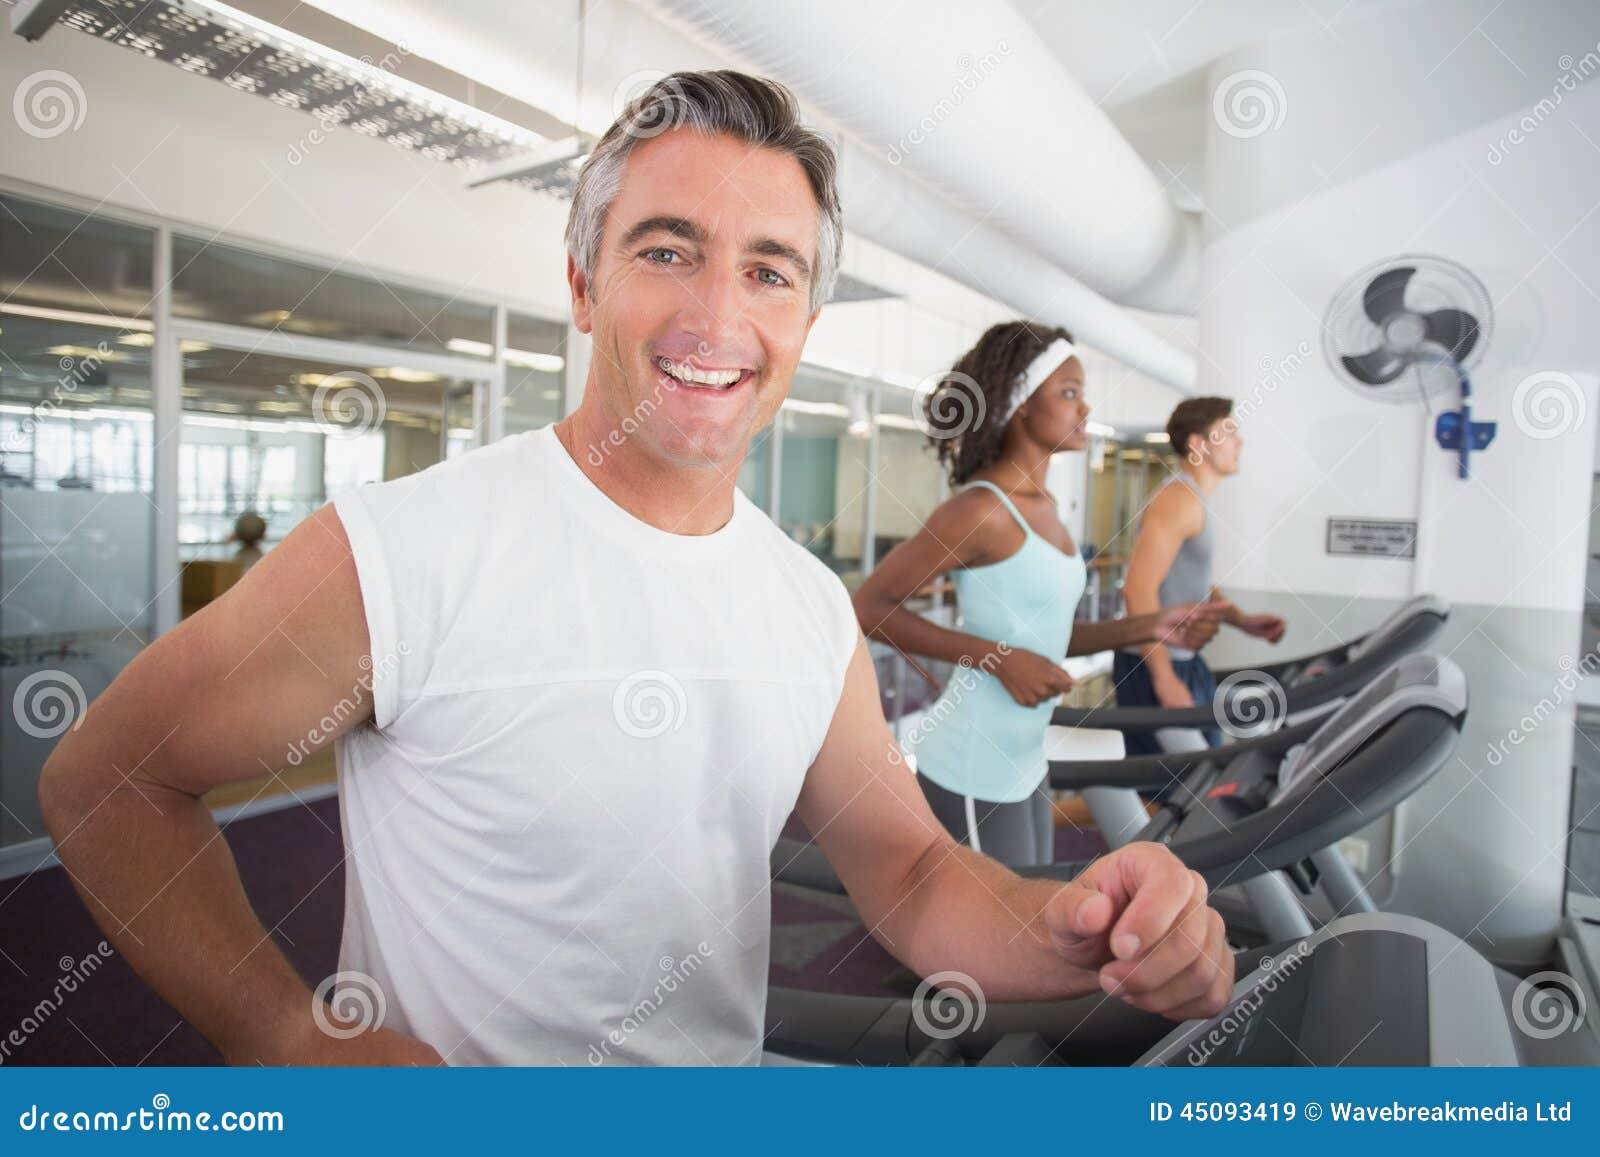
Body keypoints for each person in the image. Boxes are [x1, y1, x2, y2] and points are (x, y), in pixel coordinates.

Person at [37, 71, 1232, 1068]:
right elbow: (110, 781)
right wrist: (281, 1035)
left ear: (805, 321)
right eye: (669, 250)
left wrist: (1081, 923)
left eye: (768, 270)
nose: (717, 314)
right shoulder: (401, 551)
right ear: (580, 283)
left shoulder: (807, 607)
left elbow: (914, 874)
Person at [852, 322, 1223, 866]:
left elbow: (1044, 636)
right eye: (1069, 393)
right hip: (972, 761)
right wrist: (999, 661)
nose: (1085, 409)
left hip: (1026, 757)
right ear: (1022, 404)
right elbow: (869, 607)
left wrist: (1146, 627)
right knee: (988, 940)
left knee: (1031, 921)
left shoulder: (1045, 509)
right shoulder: (981, 510)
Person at [1115, 396, 1287, 756]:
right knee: (1171, 791)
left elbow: (1191, 580)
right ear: (1198, 444)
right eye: (1228, 434)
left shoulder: (1193, 498)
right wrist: (1163, 679)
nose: (1240, 443)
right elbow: (1138, 589)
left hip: (1183, 660)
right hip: (1155, 662)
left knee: (1188, 786)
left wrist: (1240, 620)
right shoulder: (1178, 499)